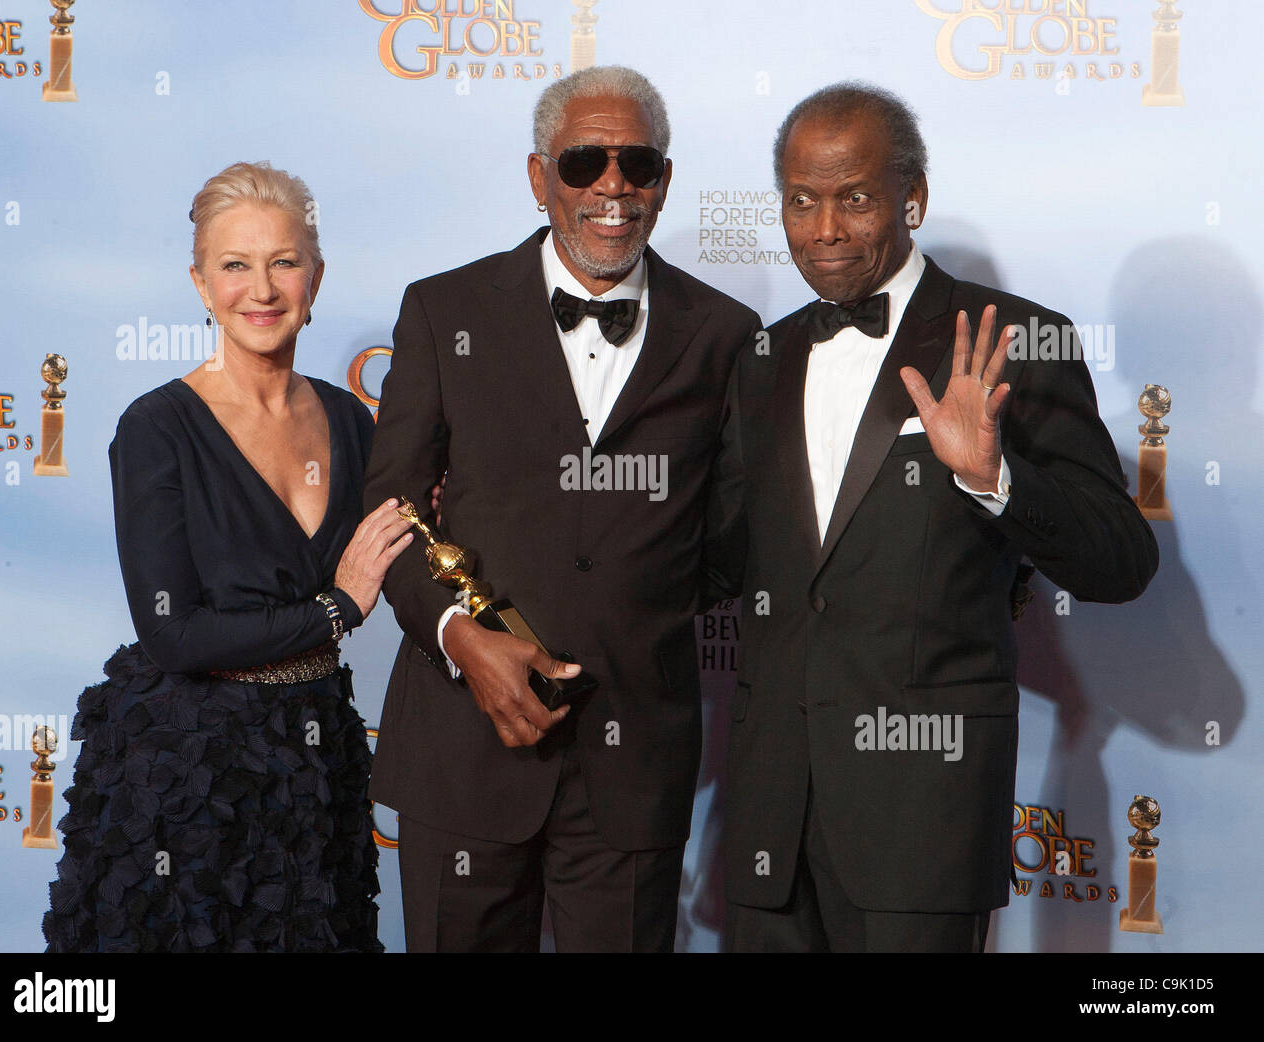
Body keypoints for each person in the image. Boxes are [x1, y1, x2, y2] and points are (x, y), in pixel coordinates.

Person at [714, 84, 1159, 952]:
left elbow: (1121, 559)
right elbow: (723, 558)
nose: (825, 229)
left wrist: (996, 476)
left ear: (912, 199)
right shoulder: (759, 359)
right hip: (772, 817)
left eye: (855, 197)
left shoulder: (1016, 341)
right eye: (802, 201)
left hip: (924, 821)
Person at [364, 65, 761, 952]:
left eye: (638, 163)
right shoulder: (444, 310)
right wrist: (462, 640)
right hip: (460, 748)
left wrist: (630, 607)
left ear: (664, 177)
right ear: (540, 176)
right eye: (584, 162)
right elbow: (388, 513)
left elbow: (729, 541)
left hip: (634, 762)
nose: (612, 186)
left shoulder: (725, 335)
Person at [42, 161, 414, 952]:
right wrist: (336, 609)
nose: (263, 289)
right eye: (235, 265)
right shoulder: (157, 428)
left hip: (318, 755)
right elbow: (174, 636)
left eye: (284, 262)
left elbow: (413, 542)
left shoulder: (351, 420)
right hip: (191, 770)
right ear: (201, 283)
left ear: (315, 278)